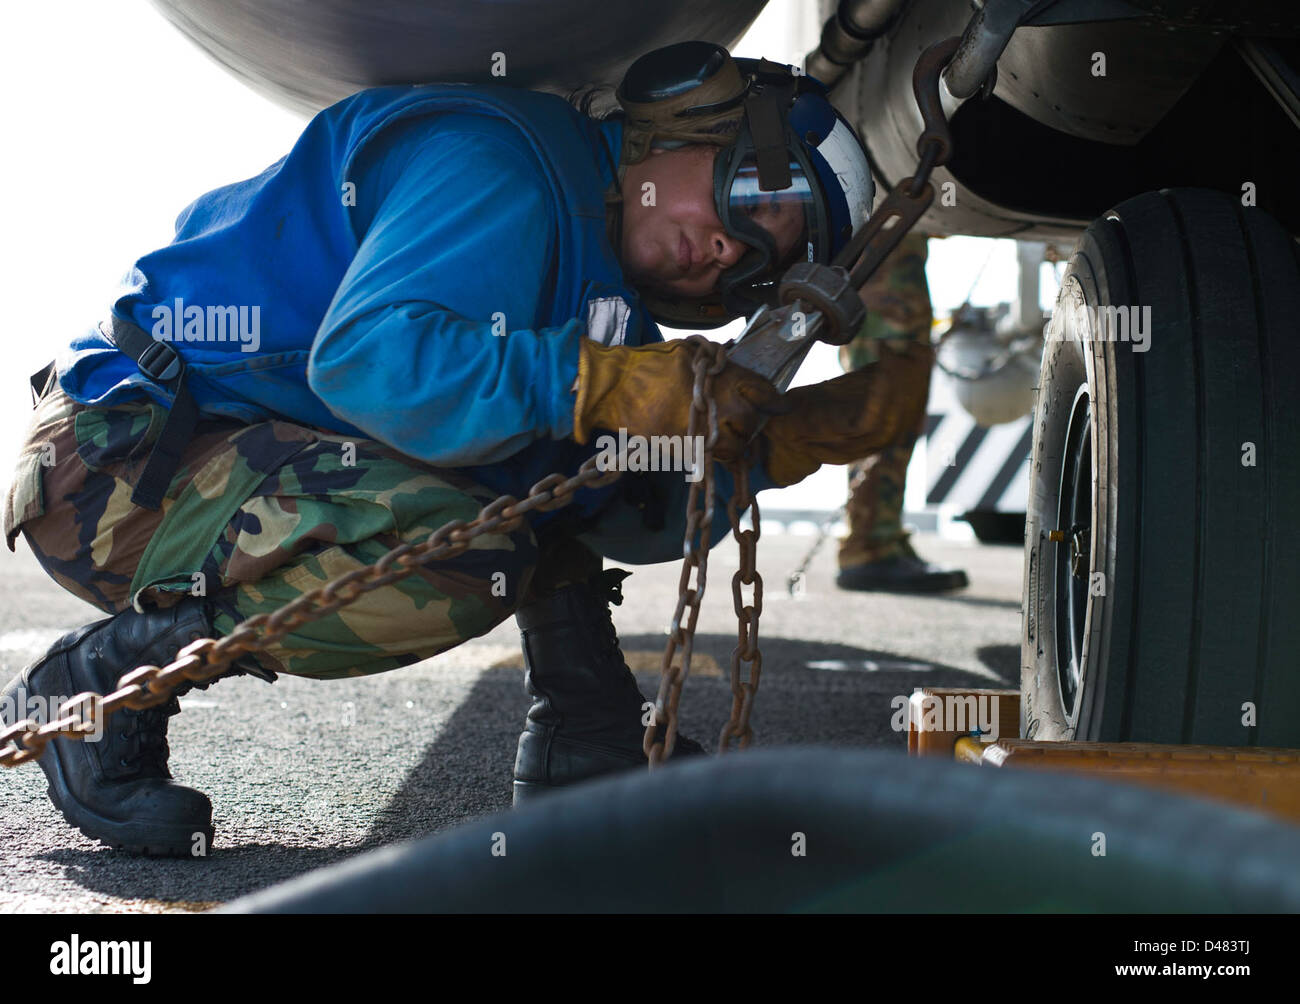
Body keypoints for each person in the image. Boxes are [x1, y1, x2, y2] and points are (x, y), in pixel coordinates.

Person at [0, 41, 931, 855]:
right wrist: (601, 385)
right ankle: (101, 688)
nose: (730, 249)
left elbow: (622, 517)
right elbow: (373, 364)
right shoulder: (502, 162)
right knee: (470, 549)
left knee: (535, 473)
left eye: (764, 255)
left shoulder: (606, 286)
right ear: (686, 124)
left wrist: (780, 443)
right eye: (755, 195)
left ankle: (590, 737)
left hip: (221, 466)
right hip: (117, 471)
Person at [835, 233, 969, 593]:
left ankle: (885, 538)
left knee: (898, 421)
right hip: (884, 313)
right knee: (884, 421)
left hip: (894, 309)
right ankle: (869, 546)